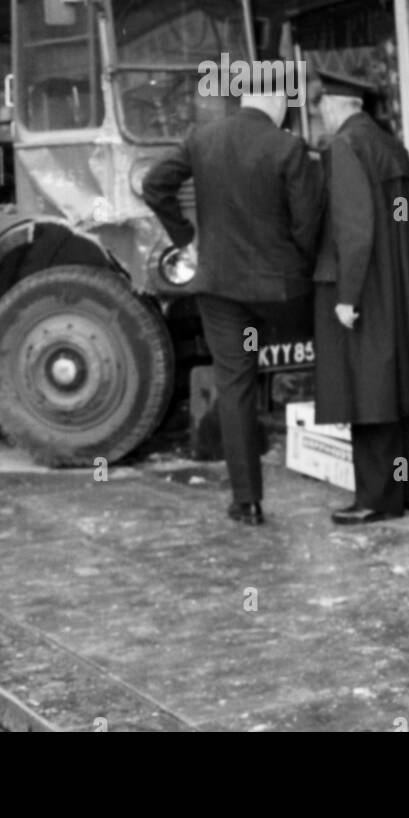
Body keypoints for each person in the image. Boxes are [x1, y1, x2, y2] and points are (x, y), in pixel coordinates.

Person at [142, 85, 322, 526]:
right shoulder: (288, 146)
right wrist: (300, 262)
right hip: (282, 291)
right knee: (330, 363)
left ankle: (248, 502)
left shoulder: (203, 139)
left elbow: (154, 184)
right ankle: (362, 478)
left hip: (221, 289)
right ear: (277, 105)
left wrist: (185, 236)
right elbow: (308, 222)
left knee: (236, 386)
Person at [311, 70, 409, 525]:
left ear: (339, 104)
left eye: (321, 106)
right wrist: (405, 267)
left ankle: (376, 498)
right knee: (399, 391)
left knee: (367, 394)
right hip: (398, 285)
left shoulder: (345, 146)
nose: (319, 115)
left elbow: (354, 226)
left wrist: (347, 295)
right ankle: (406, 491)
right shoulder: (391, 145)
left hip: (364, 286)